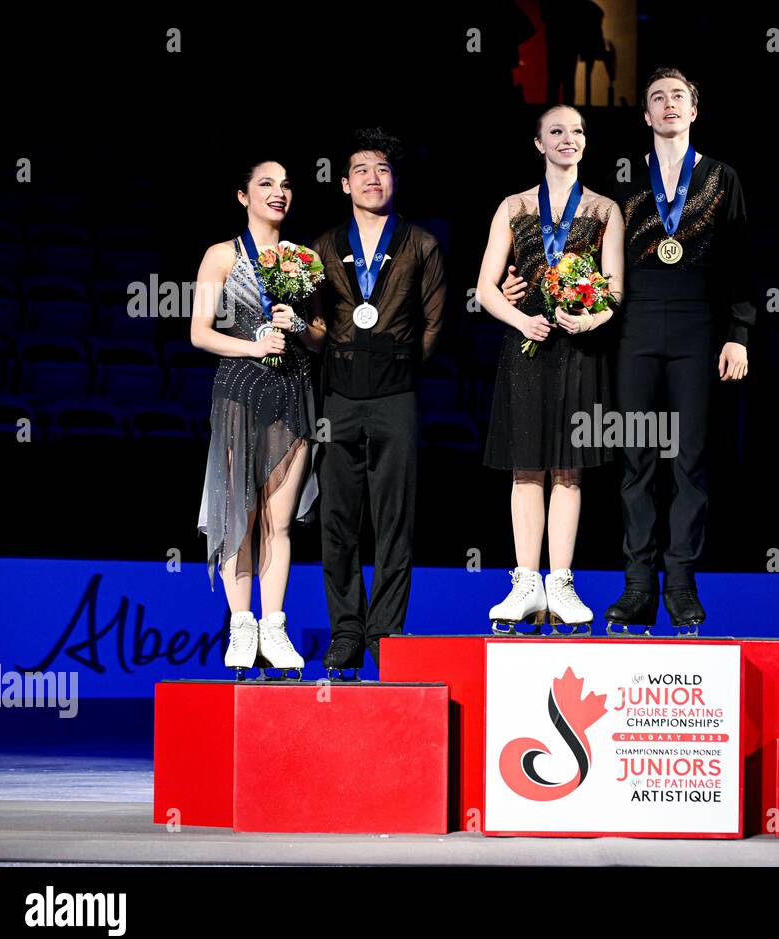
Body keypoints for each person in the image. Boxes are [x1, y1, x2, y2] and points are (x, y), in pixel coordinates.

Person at [505, 67, 753, 634]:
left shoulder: (722, 177)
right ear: (645, 115)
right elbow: (579, 251)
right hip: (632, 333)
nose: (668, 105)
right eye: (657, 98)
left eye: (679, 97)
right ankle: (638, 585)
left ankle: (682, 586)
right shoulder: (622, 179)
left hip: (697, 332)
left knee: (689, 459)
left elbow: (739, 264)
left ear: (694, 110)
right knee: (637, 459)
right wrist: (526, 285)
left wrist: (738, 334)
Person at [477, 104, 623, 634]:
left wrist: (591, 320)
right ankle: (524, 582)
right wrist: (521, 320)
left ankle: (560, 582)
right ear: (538, 143)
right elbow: (485, 289)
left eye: (577, 131)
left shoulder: (606, 208)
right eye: (556, 131)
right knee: (525, 467)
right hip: (527, 347)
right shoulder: (513, 206)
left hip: (580, 350)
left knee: (569, 468)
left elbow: (615, 290)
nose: (569, 138)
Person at [310, 128, 446, 676]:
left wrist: (399, 367)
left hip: (396, 396)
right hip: (338, 395)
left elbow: (435, 323)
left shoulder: (421, 243)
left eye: (383, 169)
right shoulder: (320, 247)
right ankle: (346, 632)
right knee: (337, 521)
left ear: (395, 180)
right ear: (345, 183)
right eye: (362, 170)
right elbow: (317, 323)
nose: (373, 178)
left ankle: (385, 632)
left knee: (395, 520)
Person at [192, 159, 323, 678]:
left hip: (293, 392)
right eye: (266, 184)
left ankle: (274, 626)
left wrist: (301, 328)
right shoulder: (221, 255)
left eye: (286, 184)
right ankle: (241, 624)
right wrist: (253, 344)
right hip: (239, 392)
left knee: (279, 521)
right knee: (239, 516)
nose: (279, 192)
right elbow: (199, 332)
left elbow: (320, 337)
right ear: (243, 196)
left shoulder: (304, 259)